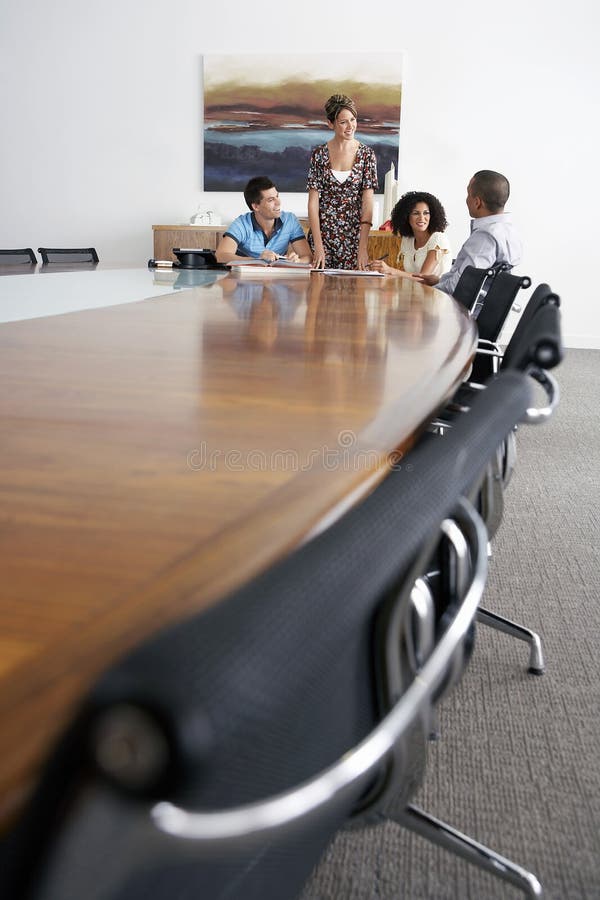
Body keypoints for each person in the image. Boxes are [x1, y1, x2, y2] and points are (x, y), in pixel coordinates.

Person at [415, 170, 522, 295]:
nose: (466, 200)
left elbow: (460, 287)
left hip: (461, 311)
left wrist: (422, 293)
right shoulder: (508, 231)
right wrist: (438, 281)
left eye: (468, 194)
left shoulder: (486, 237)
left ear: (477, 202)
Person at [307, 94, 378, 271]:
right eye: (343, 122)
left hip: (354, 240)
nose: (350, 126)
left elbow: (367, 204)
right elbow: (313, 203)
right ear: (330, 124)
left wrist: (362, 248)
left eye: (353, 119)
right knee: (318, 293)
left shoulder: (367, 155)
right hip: (323, 238)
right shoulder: (319, 155)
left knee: (353, 296)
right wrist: (318, 247)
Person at [215, 176, 312, 264]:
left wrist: (298, 261)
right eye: (270, 200)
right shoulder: (241, 224)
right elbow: (221, 256)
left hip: (277, 279)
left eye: (277, 196)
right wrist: (258, 260)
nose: (278, 203)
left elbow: (308, 257)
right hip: (246, 279)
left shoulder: (290, 220)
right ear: (256, 206)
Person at [368, 191, 451, 278]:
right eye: (416, 213)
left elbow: (423, 278)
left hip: (435, 291)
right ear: (406, 217)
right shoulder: (408, 240)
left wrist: (390, 270)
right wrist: (379, 270)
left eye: (426, 213)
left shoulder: (438, 238)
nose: (422, 218)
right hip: (413, 290)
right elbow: (407, 276)